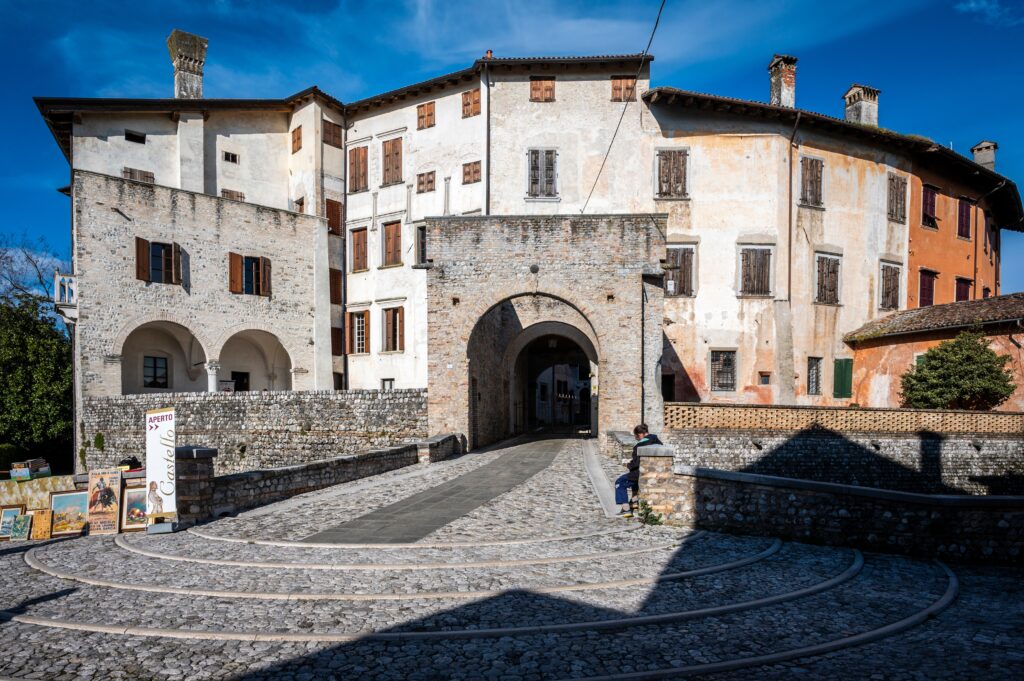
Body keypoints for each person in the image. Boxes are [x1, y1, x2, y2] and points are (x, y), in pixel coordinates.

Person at [615, 423, 662, 517]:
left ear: (640, 434)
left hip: (641, 472)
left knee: (619, 482)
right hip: (655, 471)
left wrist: (628, 465)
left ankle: (626, 509)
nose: (636, 438)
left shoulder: (640, 446)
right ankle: (634, 501)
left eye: (636, 436)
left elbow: (636, 463)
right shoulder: (657, 441)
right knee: (633, 479)